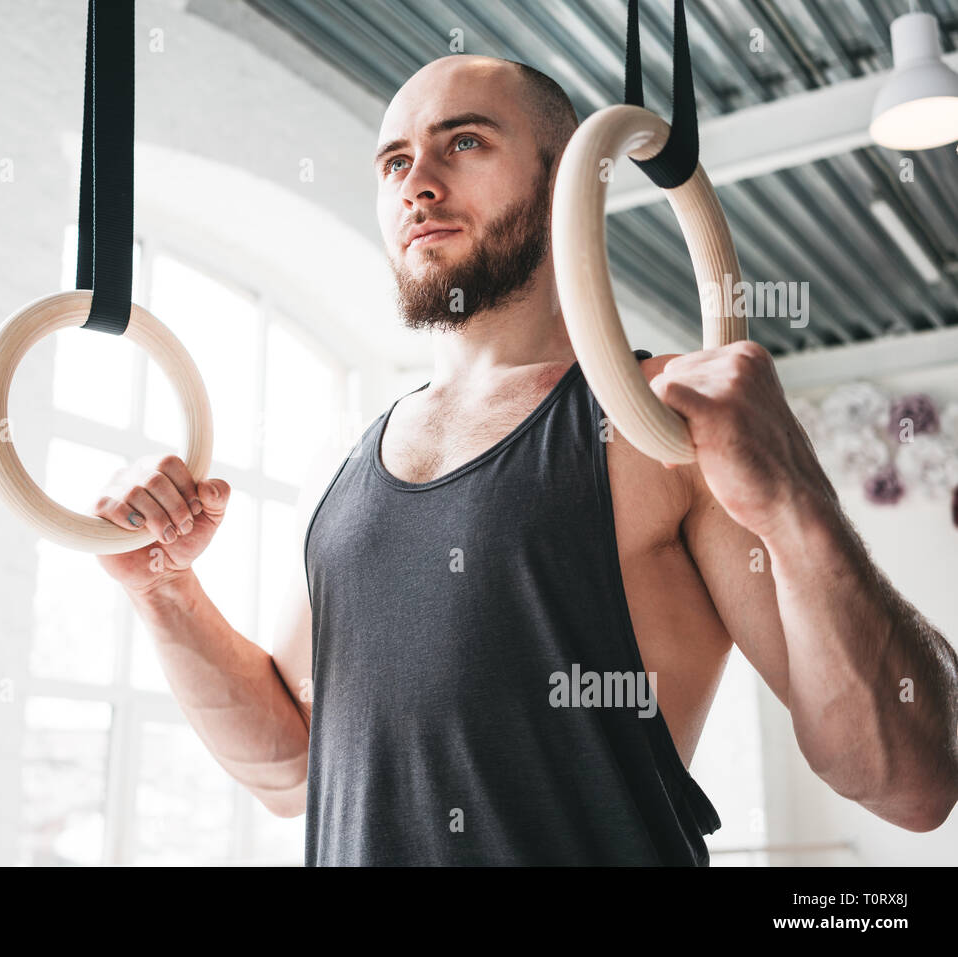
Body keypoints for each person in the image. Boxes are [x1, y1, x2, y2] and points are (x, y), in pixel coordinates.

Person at [91, 55, 958, 865]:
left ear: (566, 187)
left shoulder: (665, 425)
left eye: (464, 143)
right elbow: (292, 767)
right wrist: (163, 590)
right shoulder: (345, 468)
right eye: (394, 162)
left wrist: (797, 505)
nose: (418, 184)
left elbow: (913, 782)